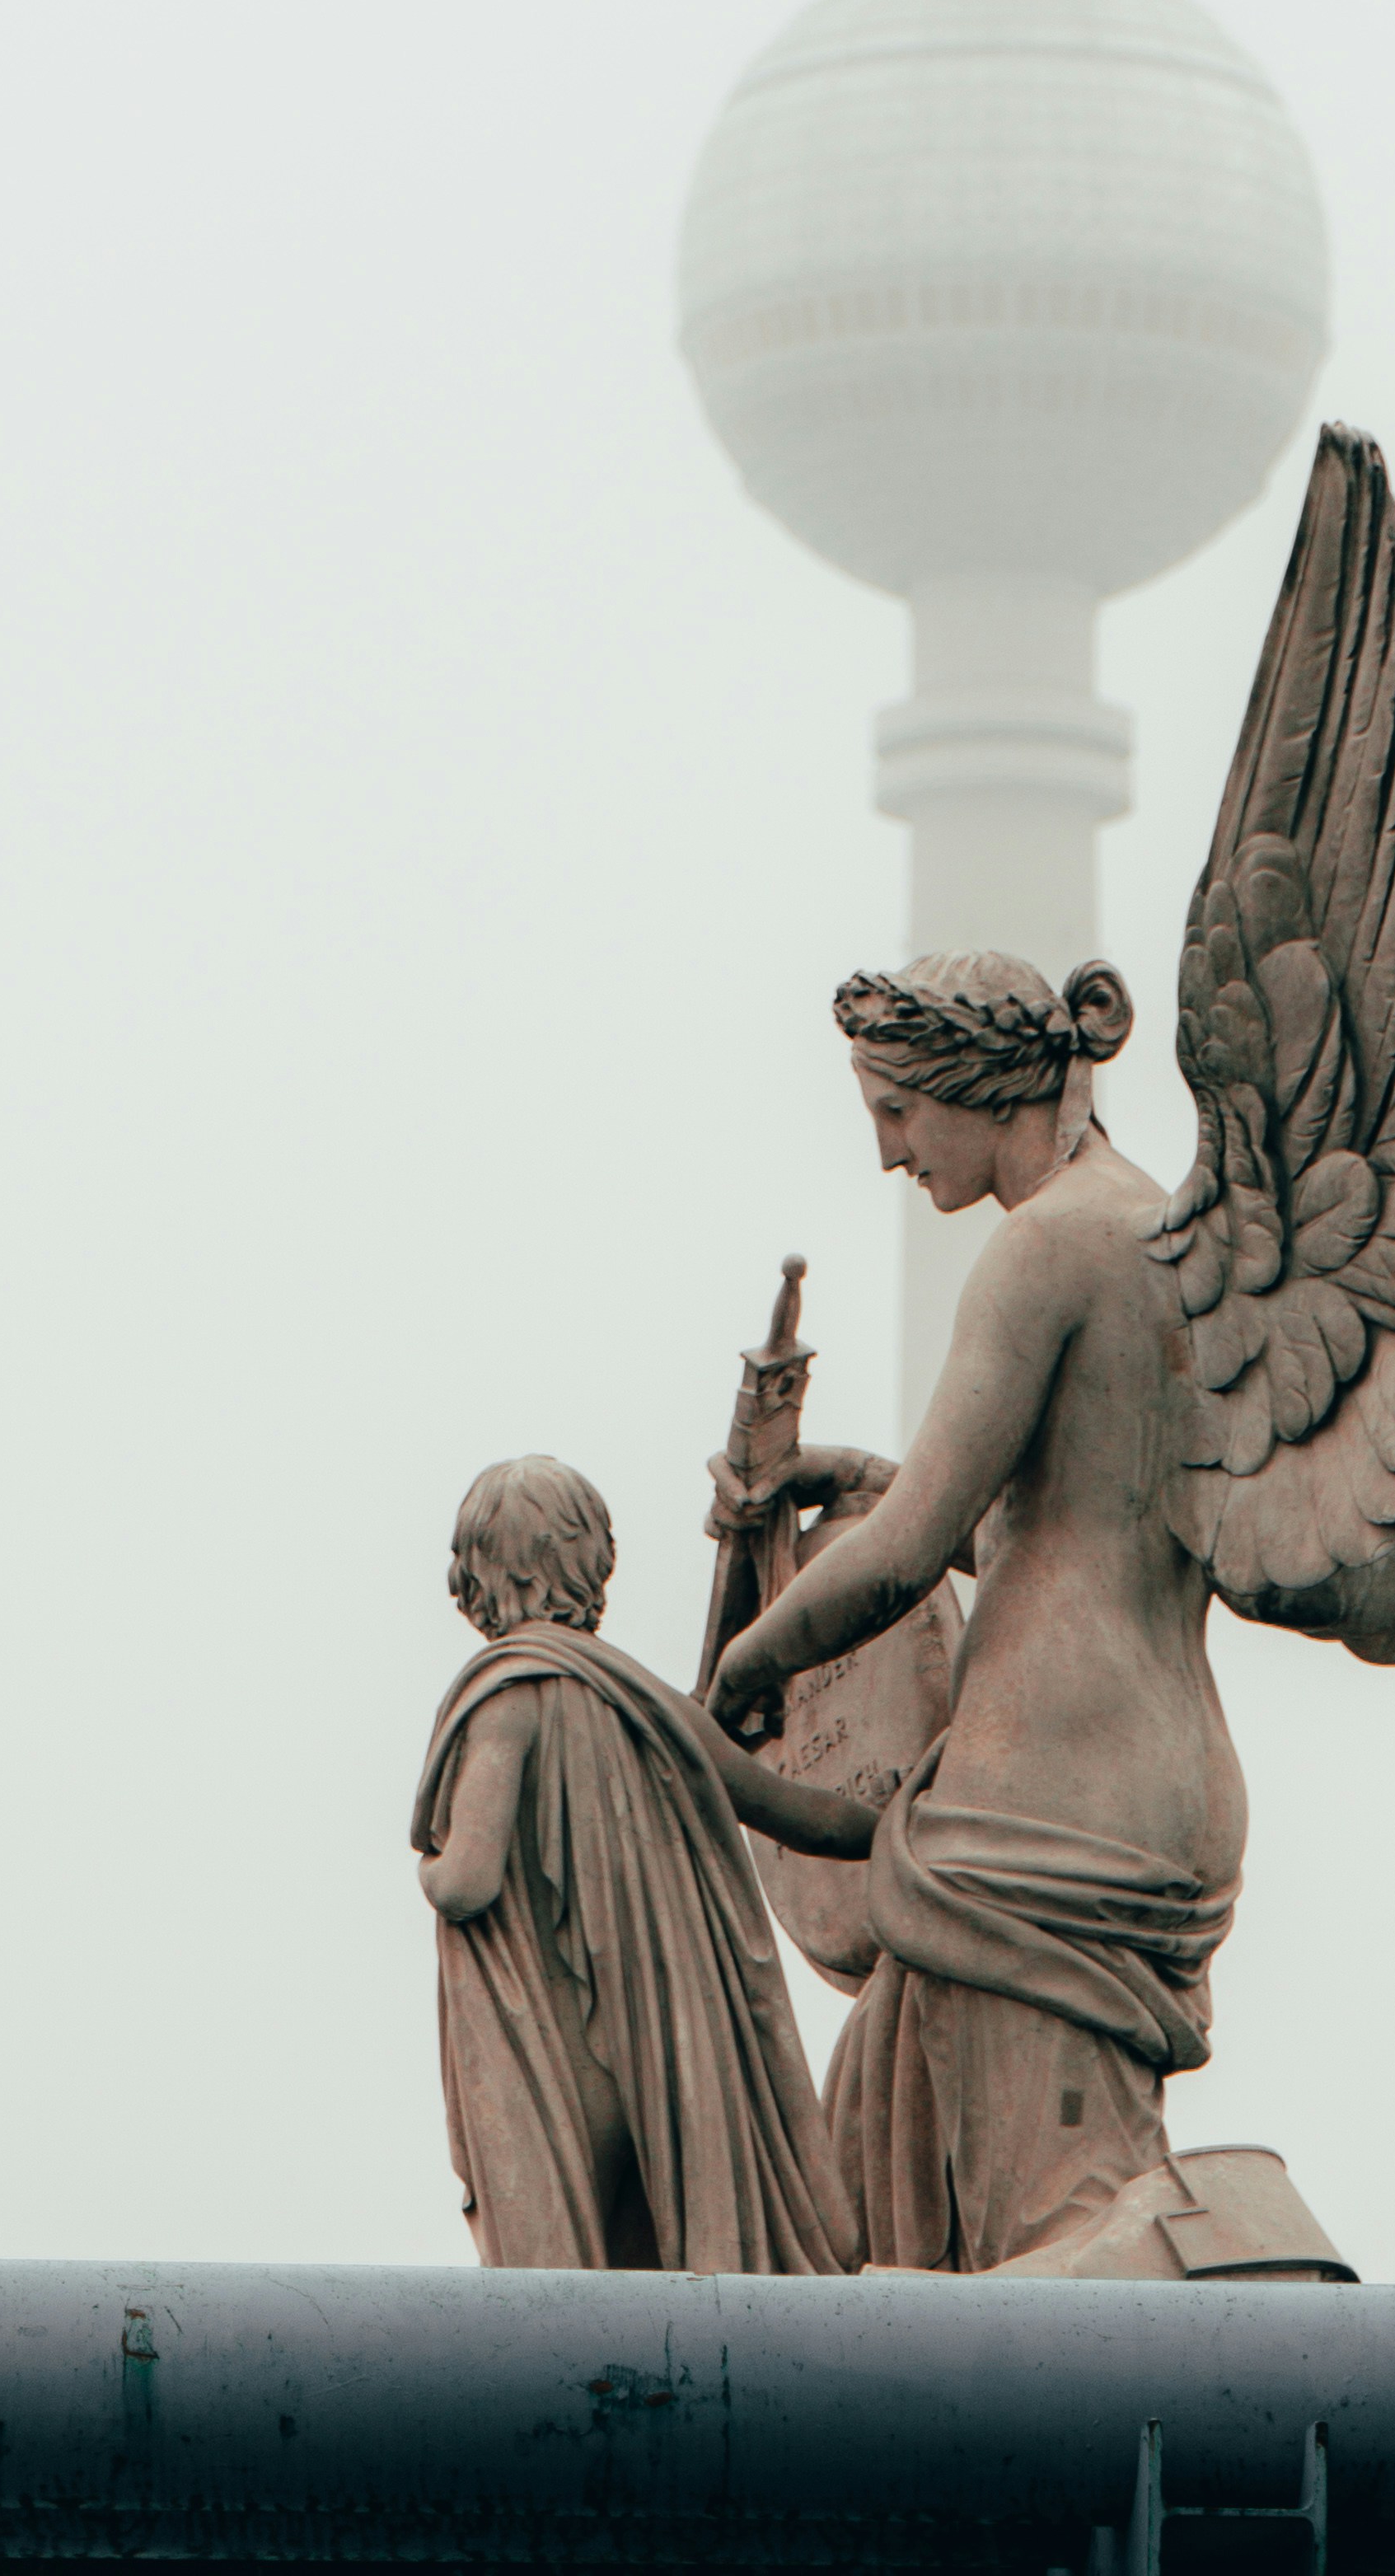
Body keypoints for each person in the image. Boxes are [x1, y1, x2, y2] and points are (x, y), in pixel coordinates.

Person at [706, 956, 1242, 2274]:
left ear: (970, 1087)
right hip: (1150, 1764)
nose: (889, 1154)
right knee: (885, 2131)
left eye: (897, 1113)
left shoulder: (1044, 1245)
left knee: (1046, 2241)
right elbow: (1075, 1503)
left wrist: (749, 1660)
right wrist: (859, 1480)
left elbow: (908, 1556)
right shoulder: (1158, 1229)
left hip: (1040, 1791)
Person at [414, 1453, 872, 2273]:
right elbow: (798, 1811)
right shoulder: (658, 1704)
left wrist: (428, 1866)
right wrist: (913, 1812)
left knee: (575, 2289)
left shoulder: (507, 1698)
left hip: (557, 2058)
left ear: (479, 1573)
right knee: (659, 2268)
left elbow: (468, 1880)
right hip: (670, 2051)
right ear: (591, 1563)